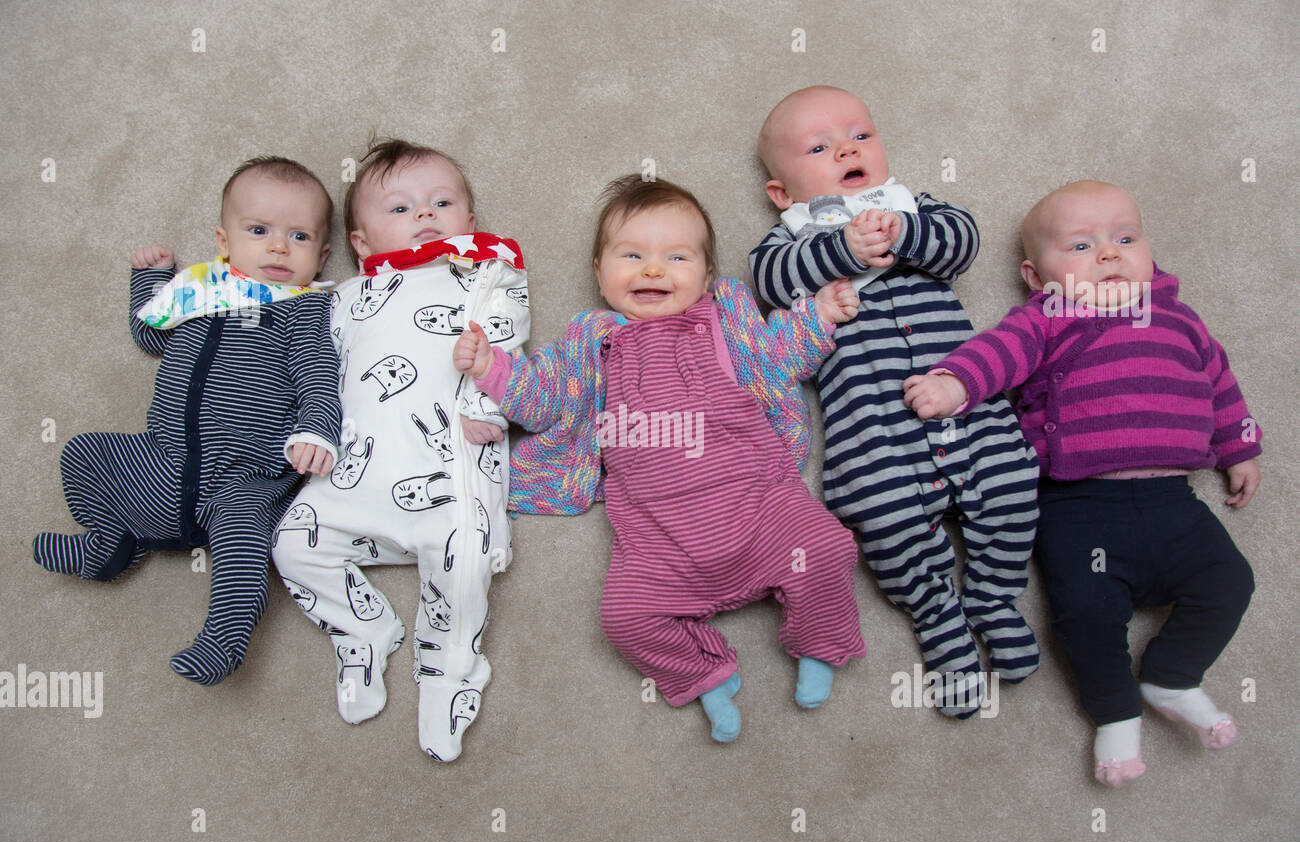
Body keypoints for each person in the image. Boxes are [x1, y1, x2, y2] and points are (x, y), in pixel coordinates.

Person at [455, 174, 864, 743]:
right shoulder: (590, 343)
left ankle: (820, 643)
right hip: (661, 539)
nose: (653, 270)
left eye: (676, 257)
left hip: (761, 510)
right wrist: (491, 370)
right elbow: (548, 400)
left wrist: (817, 315)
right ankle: (705, 675)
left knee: (826, 548)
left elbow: (778, 358)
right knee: (624, 618)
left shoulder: (726, 322)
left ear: (706, 276)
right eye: (632, 255)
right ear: (600, 273)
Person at [904, 180, 1260, 785]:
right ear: (1036, 276)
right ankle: (1116, 715)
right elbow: (999, 353)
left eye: (1125, 238)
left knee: (1231, 581)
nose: (1109, 254)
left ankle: (1173, 675)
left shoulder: (1182, 319)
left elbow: (1218, 383)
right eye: (1081, 246)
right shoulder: (1048, 316)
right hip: (1078, 504)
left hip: (1175, 500)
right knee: (1086, 616)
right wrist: (955, 384)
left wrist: (1239, 446)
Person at [750, 86, 1041, 717]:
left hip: (967, 399)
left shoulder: (915, 208)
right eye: (820, 147)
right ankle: (938, 618)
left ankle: (992, 598)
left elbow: (963, 243)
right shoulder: (790, 237)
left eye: (859, 135)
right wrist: (843, 253)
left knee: (1015, 482)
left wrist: (906, 233)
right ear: (782, 192)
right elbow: (769, 287)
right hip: (872, 429)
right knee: (879, 516)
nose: (847, 149)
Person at [33, 156, 341, 686]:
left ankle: (224, 639)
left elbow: (317, 372)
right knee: (83, 452)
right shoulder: (201, 289)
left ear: (323, 254)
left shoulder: (304, 308)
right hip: (163, 457)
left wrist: (316, 430)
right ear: (224, 241)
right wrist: (149, 279)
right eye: (259, 230)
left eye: (299, 237)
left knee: (245, 540)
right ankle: (110, 545)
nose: (277, 247)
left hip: (246, 474)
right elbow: (151, 333)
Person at [271, 139, 528, 762]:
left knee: (462, 567)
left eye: (443, 202)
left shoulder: (483, 269)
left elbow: (506, 332)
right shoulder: (338, 298)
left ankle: (448, 671)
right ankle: (362, 628)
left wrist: (489, 398)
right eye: (401, 208)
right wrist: (309, 430)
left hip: (448, 461)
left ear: (469, 218)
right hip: (356, 470)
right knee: (291, 543)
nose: (425, 215)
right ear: (361, 243)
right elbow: (309, 368)